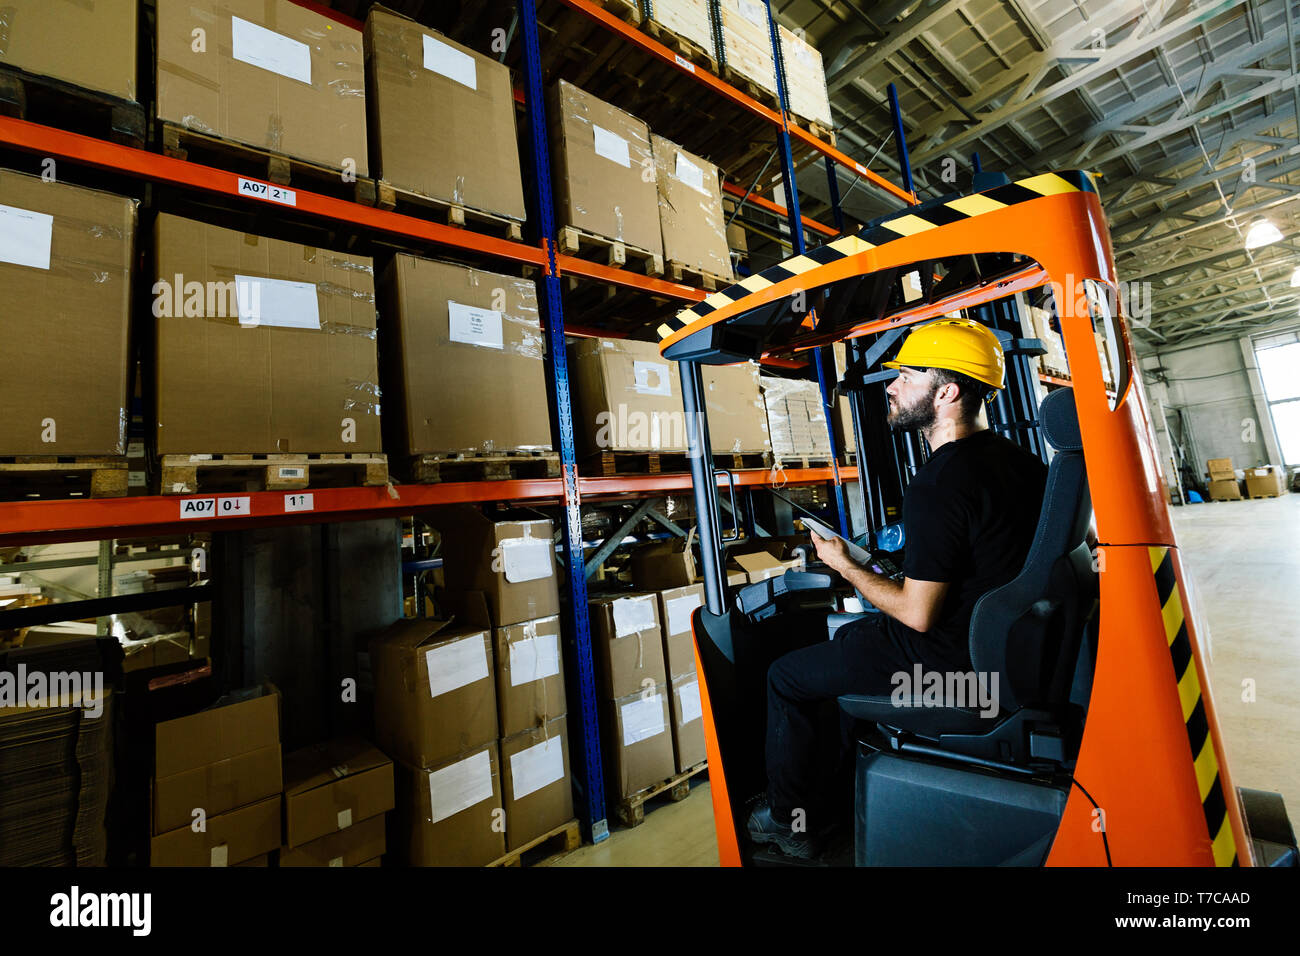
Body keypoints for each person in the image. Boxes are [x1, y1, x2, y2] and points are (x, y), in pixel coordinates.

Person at [747, 318, 1048, 859]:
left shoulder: (939, 483)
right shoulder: (1020, 463)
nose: (891, 387)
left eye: (907, 376)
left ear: (947, 392)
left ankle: (792, 823)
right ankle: (835, 795)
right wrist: (885, 567)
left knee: (786, 676)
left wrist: (846, 565)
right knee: (847, 644)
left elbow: (915, 613)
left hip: (950, 668)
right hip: (998, 649)